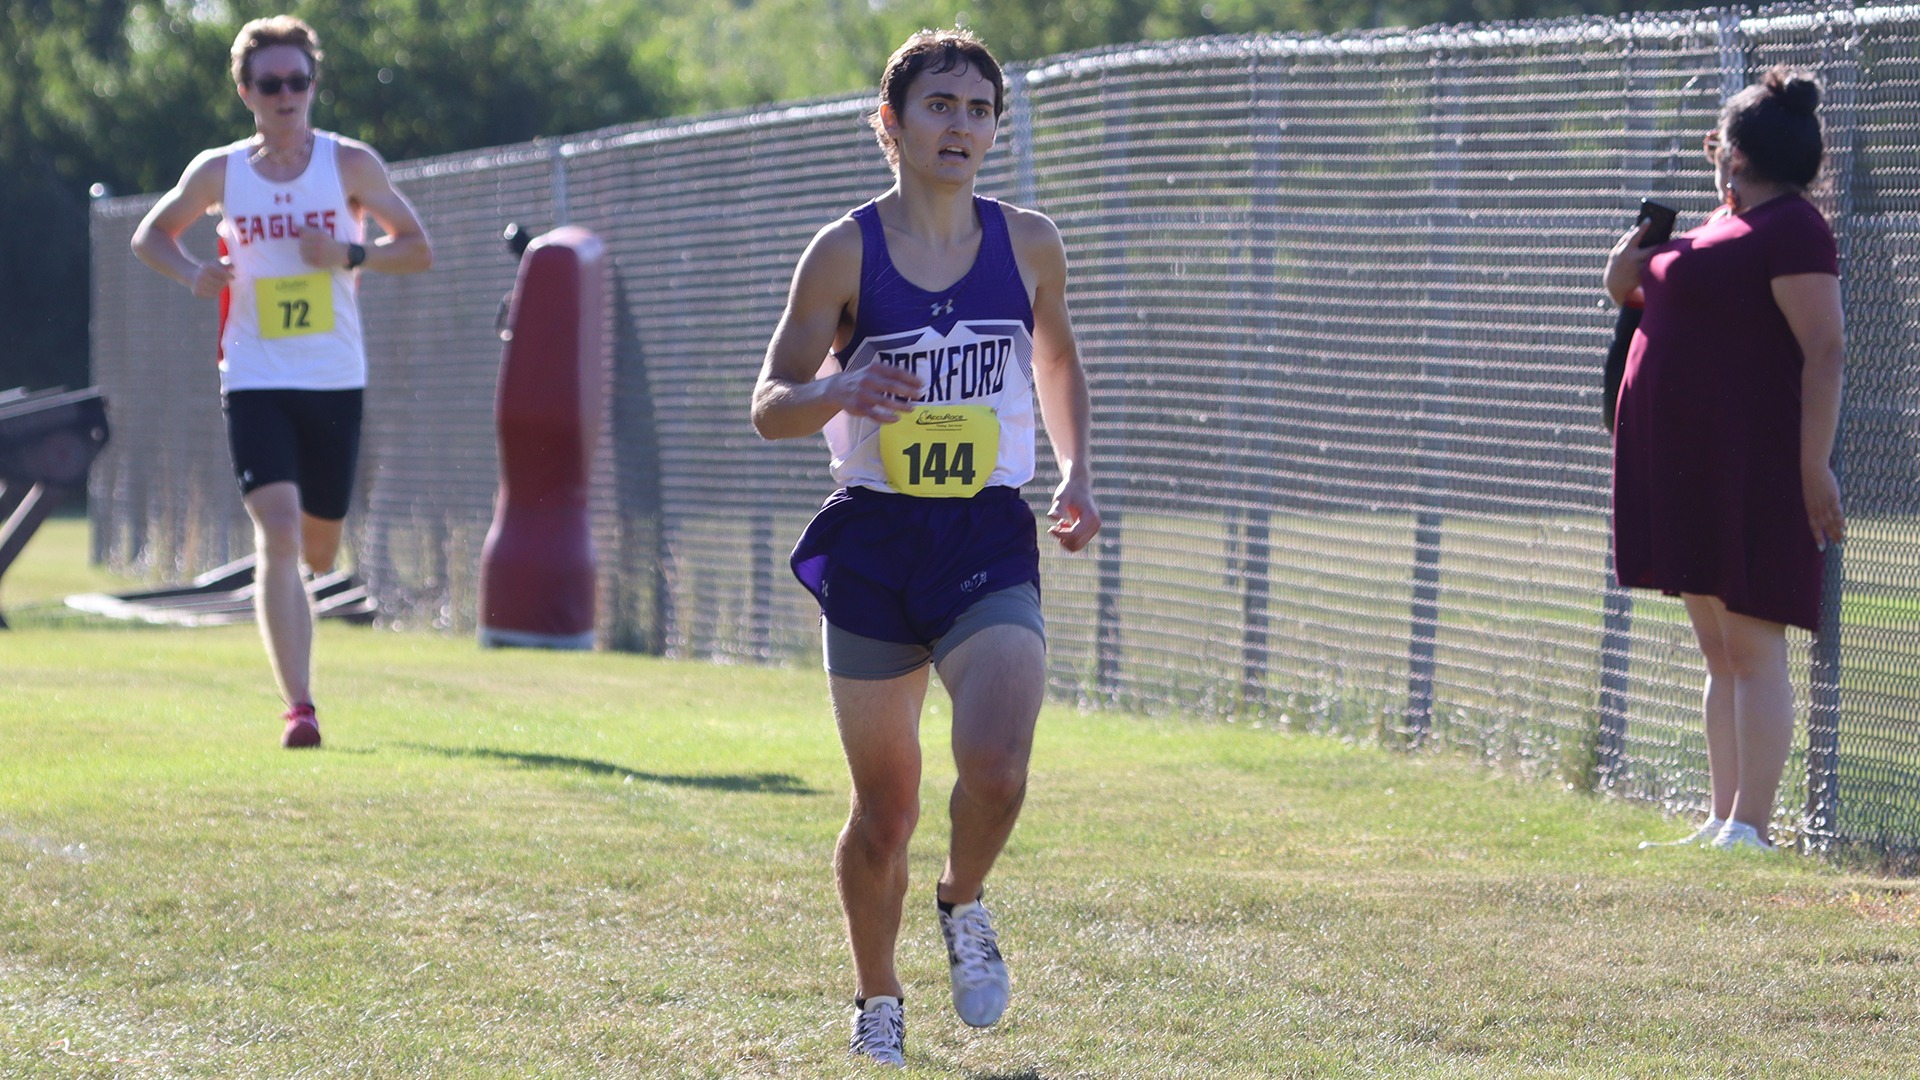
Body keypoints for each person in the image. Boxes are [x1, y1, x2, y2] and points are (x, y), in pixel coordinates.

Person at [749, 28, 1099, 1067]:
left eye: (979, 110)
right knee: (884, 811)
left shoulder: (1028, 244)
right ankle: (877, 998)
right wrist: (841, 388)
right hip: (874, 540)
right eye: (940, 106)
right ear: (890, 125)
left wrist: (1077, 471)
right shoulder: (844, 252)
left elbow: (1057, 361)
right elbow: (768, 404)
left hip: (986, 531)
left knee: (996, 763)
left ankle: (963, 899)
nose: (962, 126)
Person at [131, 15, 433, 749]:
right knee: (279, 532)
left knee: (320, 550)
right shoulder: (221, 172)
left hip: (333, 376)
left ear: (314, 84)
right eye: (271, 84)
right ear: (246, 92)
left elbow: (417, 248)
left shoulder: (349, 164)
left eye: (299, 80)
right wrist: (193, 273)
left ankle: (309, 604)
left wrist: (351, 254)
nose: (287, 95)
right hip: (254, 374)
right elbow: (150, 236)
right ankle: (300, 708)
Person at [1605, 67, 1844, 853]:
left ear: (1735, 154)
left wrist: (1813, 466)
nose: (1714, 159)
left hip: (1752, 464)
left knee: (1751, 644)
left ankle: (1752, 825)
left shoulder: (1794, 228)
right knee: (1718, 647)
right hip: (1691, 460)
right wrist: (1624, 273)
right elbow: (1665, 302)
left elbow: (1826, 349)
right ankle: (1722, 817)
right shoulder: (1723, 221)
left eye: (1716, 146)